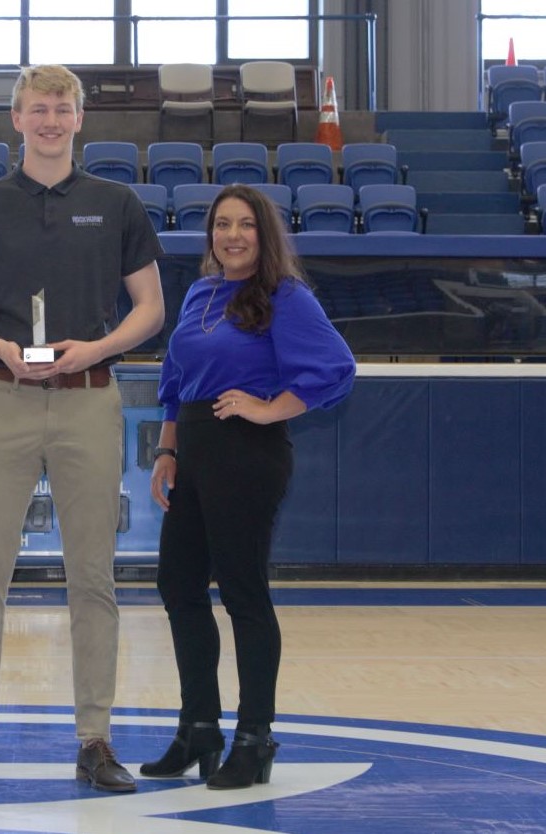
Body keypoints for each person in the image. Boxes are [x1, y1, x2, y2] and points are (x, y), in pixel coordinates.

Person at [0, 64, 165, 794]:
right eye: (38, 108)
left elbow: (150, 308)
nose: (51, 120)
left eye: (62, 108)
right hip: (2, 397)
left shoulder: (116, 202)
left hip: (90, 398)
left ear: (79, 117)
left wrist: (96, 349)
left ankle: (94, 740)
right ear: (15, 118)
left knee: (93, 577)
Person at [141, 184, 355, 790]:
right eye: (221, 224)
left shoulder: (286, 297)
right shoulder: (201, 293)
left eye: (244, 225)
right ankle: (198, 728)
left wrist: (269, 409)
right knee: (178, 586)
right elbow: (177, 379)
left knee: (243, 594)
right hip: (196, 451)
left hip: (246, 454)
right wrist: (167, 447)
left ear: (264, 233)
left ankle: (255, 738)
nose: (231, 235)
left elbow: (335, 369)